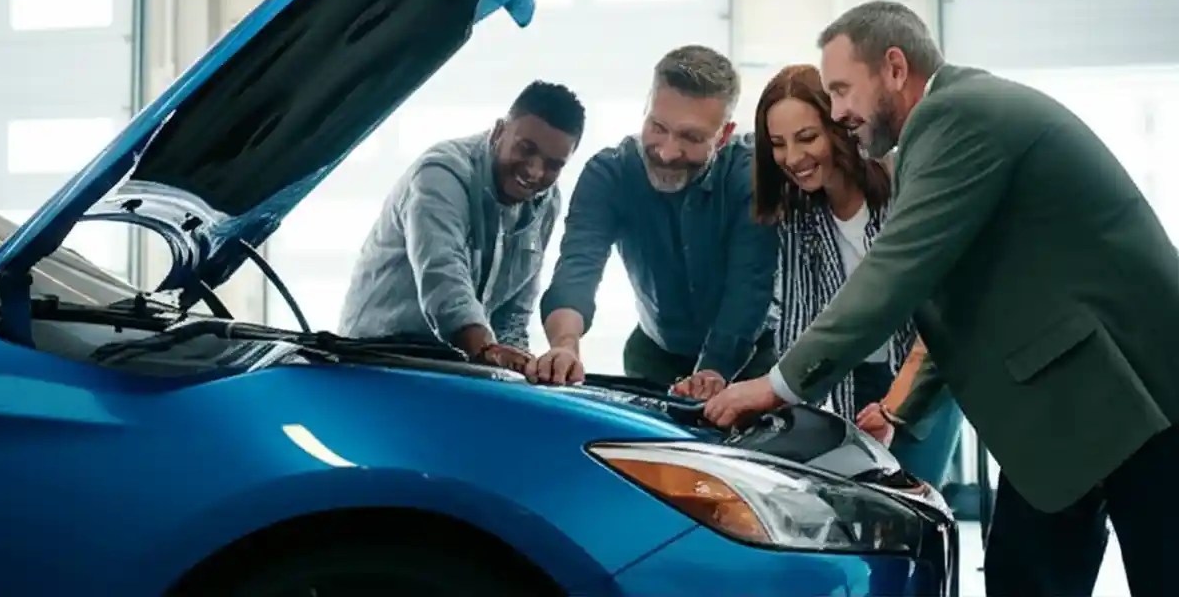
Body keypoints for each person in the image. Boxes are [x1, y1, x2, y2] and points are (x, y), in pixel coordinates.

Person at [701, 0, 1179, 597]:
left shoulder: (959, 117)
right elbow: (947, 294)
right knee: (1023, 576)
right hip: (1074, 408)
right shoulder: (942, 133)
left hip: (1136, 396)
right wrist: (903, 410)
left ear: (894, 69)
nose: (839, 112)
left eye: (843, 90)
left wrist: (779, 385)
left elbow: (896, 271)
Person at [690, 63, 962, 487]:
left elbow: (942, 322)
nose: (793, 158)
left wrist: (895, 407)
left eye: (807, 137)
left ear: (837, 125)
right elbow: (801, 325)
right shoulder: (797, 214)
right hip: (846, 381)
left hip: (921, 380)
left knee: (911, 508)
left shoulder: (903, 188)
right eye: (778, 144)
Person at [525, 45, 779, 397]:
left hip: (752, 359)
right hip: (654, 356)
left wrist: (712, 371)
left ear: (723, 134)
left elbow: (749, 288)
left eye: (691, 137)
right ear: (645, 109)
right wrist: (565, 345)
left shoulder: (751, 177)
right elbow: (577, 268)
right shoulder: (608, 174)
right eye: (658, 127)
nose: (668, 151)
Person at [337, 80, 585, 371]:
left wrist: (522, 367)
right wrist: (488, 350)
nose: (534, 171)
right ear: (498, 131)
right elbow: (443, 277)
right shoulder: (440, 175)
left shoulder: (546, 201)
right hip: (374, 362)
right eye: (526, 149)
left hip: (457, 365)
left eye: (553, 165)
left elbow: (514, 312)